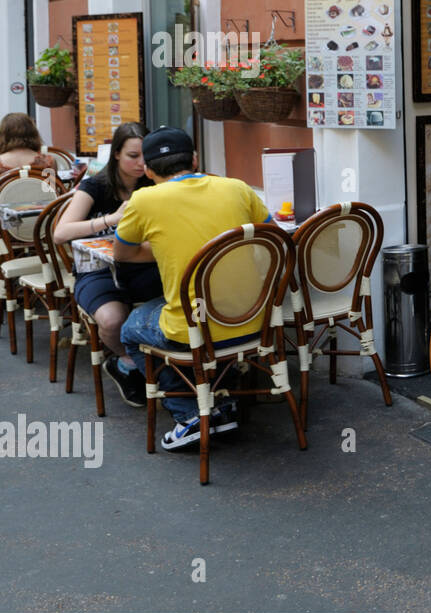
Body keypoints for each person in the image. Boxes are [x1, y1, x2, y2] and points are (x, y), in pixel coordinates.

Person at [114, 127, 272, 450]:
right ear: (195, 160)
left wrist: (162, 246)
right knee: (180, 312)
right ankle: (220, 404)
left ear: (148, 170)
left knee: (130, 329)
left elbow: (123, 254)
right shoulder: (237, 188)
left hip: (196, 332)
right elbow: (271, 236)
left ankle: (190, 415)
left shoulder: (143, 200)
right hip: (255, 322)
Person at [52, 122, 162, 408]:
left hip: (144, 267)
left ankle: (167, 367)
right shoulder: (96, 185)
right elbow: (60, 233)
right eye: (133, 156)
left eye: (146, 157)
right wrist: (110, 220)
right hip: (97, 271)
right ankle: (126, 361)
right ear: (116, 154)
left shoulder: (154, 184)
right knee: (113, 321)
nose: (141, 164)